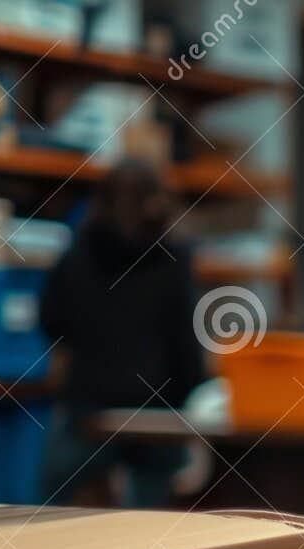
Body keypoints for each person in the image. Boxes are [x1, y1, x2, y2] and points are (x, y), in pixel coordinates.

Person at [39, 159, 205, 507]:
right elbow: (188, 347)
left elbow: (51, 322)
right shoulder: (175, 258)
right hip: (156, 414)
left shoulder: (76, 254)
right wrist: (191, 398)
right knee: (151, 524)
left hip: (88, 412)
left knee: (49, 509)